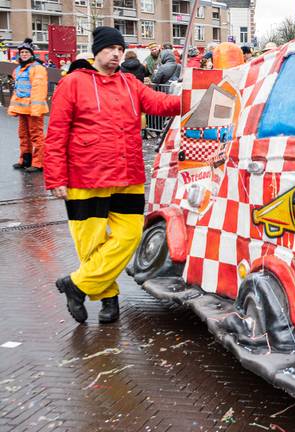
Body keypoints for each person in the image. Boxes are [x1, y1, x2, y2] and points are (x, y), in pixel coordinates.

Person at [44, 27, 181, 324]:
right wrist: (55, 177)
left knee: (130, 236)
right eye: (111, 49)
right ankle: (108, 297)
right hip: (85, 175)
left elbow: (159, 104)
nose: (117, 54)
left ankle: (77, 284)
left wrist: (192, 97)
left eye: (120, 49)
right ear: (97, 51)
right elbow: (56, 133)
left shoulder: (130, 83)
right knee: (90, 244)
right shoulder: (73, 83)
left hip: (127, 174)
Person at [8, 38, 48, 173]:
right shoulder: (19, 69)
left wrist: (35, 110)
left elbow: (39, 90)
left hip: (33, 109)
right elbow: (17, 90)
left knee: (36, 136)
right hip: (23, 108)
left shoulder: (37, 68)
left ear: (31, 54)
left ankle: (39, 163)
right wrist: (14, 108)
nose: (24, 54)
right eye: (22, 52)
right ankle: (26, 160)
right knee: (23, 135)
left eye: (26, 52)